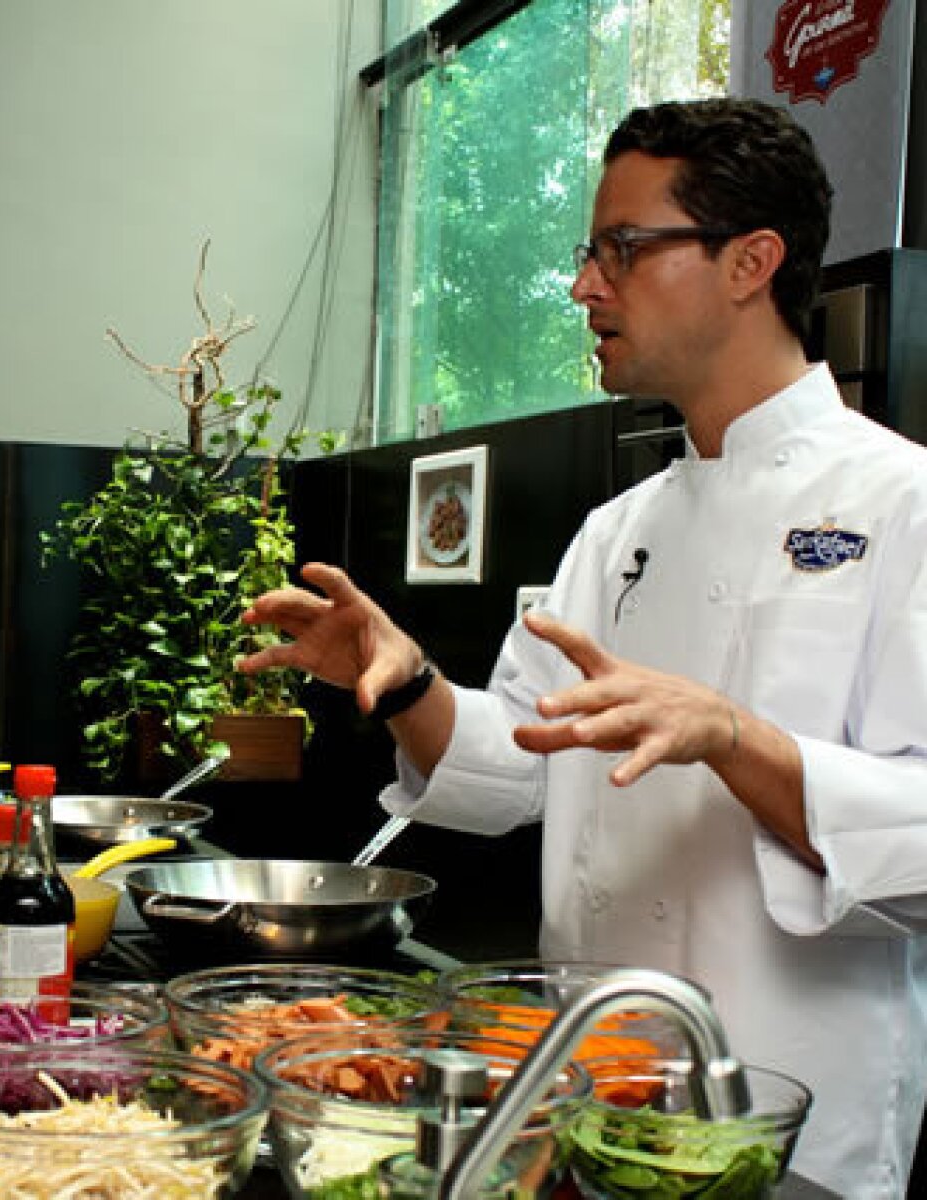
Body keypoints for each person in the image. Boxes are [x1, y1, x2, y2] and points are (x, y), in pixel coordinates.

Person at [238, 98, 927, 1199]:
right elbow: (523, 765)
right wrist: (406, 678)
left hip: (789, 1125)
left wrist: (732, 738)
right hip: (585, 1096)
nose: (585, 285)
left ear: (752, 261)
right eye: (588, 252)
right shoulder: (619, 530)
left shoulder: (903, 502)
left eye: (625, 248)